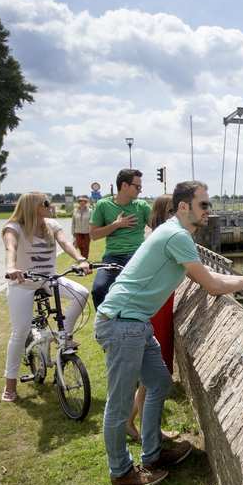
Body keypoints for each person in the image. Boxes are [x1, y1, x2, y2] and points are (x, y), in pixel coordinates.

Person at [95, 180, 243, 485]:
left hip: (135, 322)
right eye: (204, 205)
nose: (209, 211)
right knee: (118, 405)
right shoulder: (177, 235)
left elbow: (207, 275)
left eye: (209, 205)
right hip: (122, 323)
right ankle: (121, 472)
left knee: (158, 381)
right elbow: (210, 284)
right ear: (184, 207)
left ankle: (152, 453)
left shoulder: (174, 232)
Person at [1, 192, 91, 402]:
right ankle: (10, 384)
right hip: (22, 283)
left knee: (81, 293)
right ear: (34, 207)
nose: (50, 206)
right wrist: (12, 267)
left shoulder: (51, 224)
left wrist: (80, 259)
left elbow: (65, 243)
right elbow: (10, 248)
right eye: (46, 203)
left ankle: (64, 336)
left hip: (48, 279)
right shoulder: (13, 227)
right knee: (20, 331)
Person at [126, 194, 176, 443]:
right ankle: (151, 434)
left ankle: (131, 420)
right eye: (171, 211)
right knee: (154, 375)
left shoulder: (159, 236)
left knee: (150, 377)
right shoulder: (163, 238)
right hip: (157, 310)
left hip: (161, 307)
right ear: (160, 213)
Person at [89, 169, 151, 308]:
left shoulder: (142, 206)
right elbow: (94, 235)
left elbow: (158, 226)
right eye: (137, 186)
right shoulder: (103, 205)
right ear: (124, 186)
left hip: (137, 255)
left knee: (136, 293)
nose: (140, 190)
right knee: (99, 290)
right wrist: (116, 225)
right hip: (113, 256)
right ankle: (103, 326)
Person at [72, 195, 92, 260]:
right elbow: (73, 223)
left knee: (86, 248)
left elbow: (91, 222)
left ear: (86, 202)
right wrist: (73, 233)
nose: (82, 202)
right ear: (78, 202)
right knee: (80, 246)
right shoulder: (75, 211)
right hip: (78, 232)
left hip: (87, 233)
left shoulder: (90, 211)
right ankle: (83, 259)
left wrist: (91, 232)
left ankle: (84, 260)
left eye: (84, 201)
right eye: (80, 201)